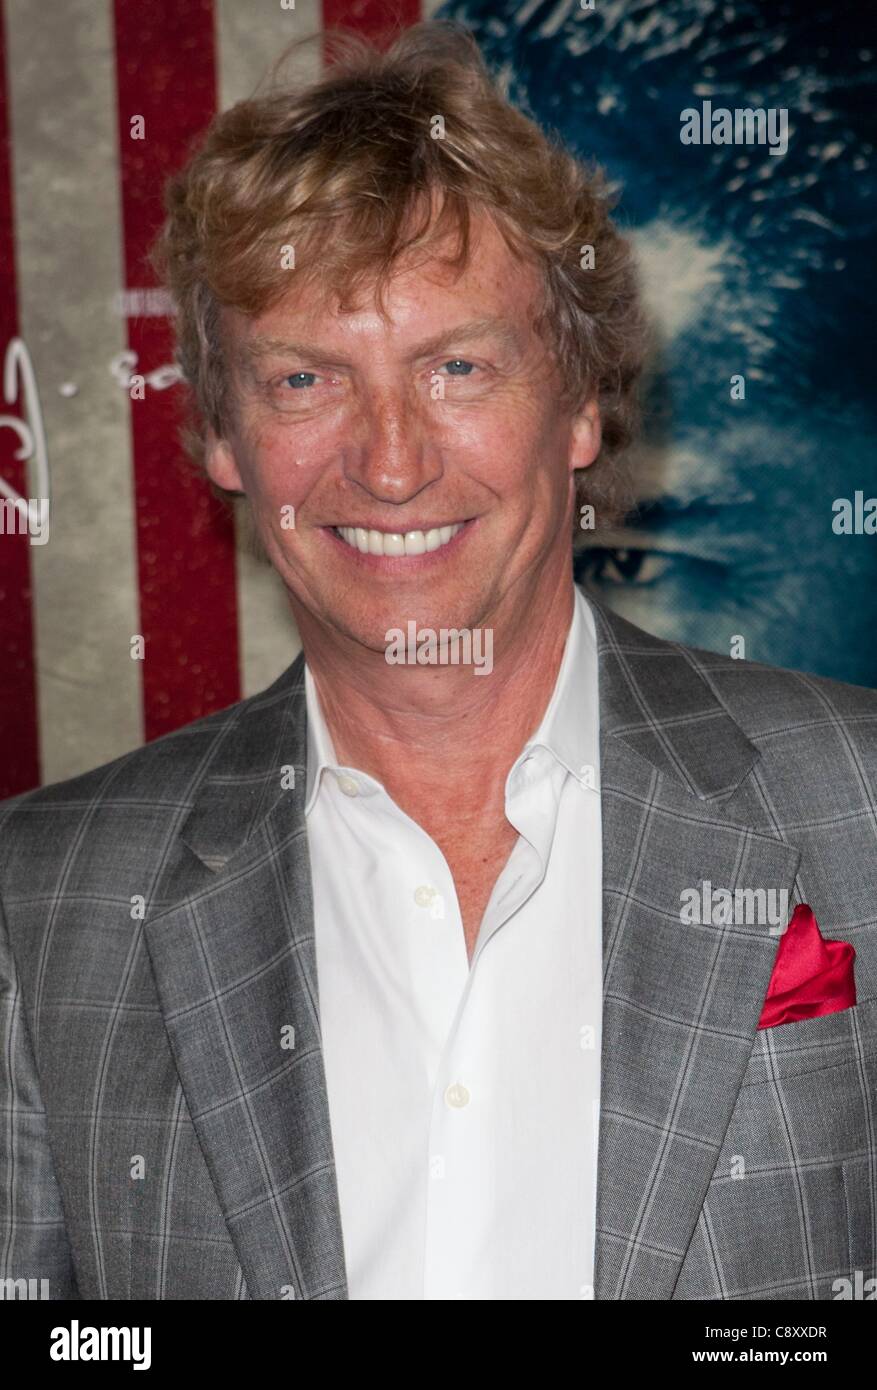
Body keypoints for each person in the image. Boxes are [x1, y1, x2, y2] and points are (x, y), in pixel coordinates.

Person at [1, 20, 874, 1302]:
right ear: (226, 437)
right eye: (305, 381)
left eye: (455, 366)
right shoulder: (43, 901)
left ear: (581, 403)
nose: (391, 462)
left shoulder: (856, 807)